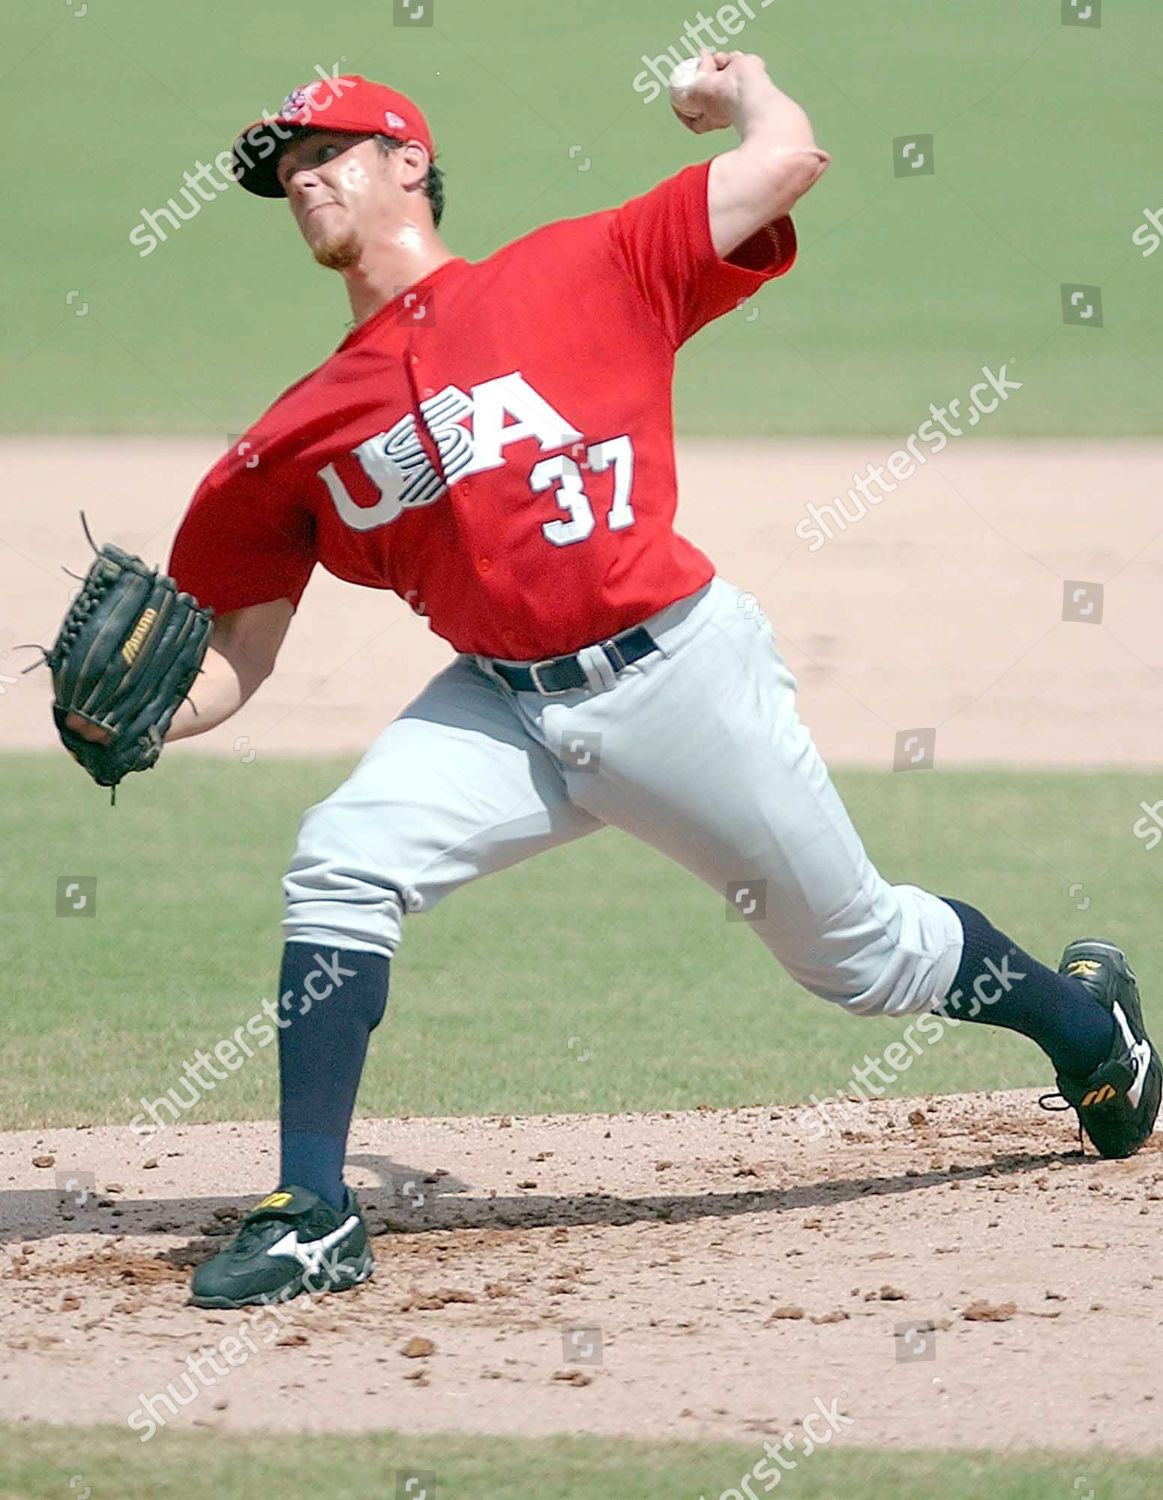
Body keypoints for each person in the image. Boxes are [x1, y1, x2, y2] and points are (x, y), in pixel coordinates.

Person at [115, 57, 1157, 1308]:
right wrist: (145, 721)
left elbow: (786, 163)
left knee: (863, 960)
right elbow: (240, 652)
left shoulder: (580, 266)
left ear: (407, 163)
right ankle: (310, 1212)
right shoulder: (291, 437)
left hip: (675, 676)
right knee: (343, 856)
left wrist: (747, 89)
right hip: (500, 699)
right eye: (284, 170)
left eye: (326, 150)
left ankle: (1088, 1028)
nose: (302, 178)